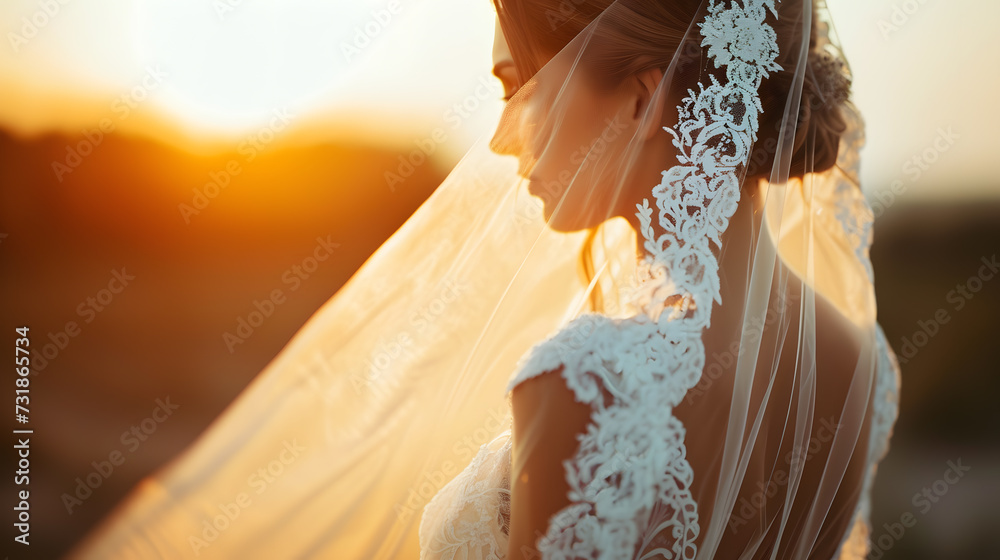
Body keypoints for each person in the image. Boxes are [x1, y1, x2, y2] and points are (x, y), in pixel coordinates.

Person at [70, 0, 901, 558]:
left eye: (517, 87)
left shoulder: (587, 385)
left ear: (642, 101)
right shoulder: (864, 367)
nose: (502, 138)